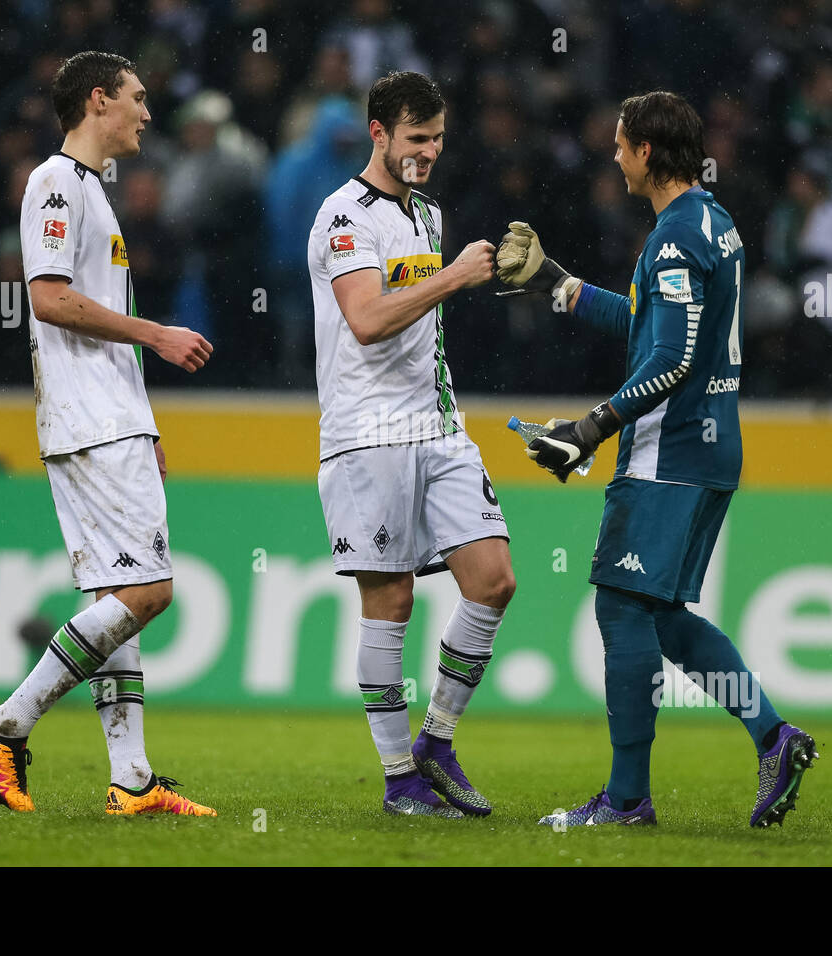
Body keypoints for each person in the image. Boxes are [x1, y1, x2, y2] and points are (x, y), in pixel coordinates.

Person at [496, 91, 818, 828]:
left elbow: (669, 359)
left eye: (619, 145)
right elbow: (652, 323)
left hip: (668, 452)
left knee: (621, 606)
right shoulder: (715, 223)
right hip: (712, 448)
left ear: (645, 152)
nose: (613, 157)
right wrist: (555, 281)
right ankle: (774, 736)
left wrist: (592, 426)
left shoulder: (672, 239)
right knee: (666, 618)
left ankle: (628, 799)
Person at [0, 51, 216, 817]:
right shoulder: (55, 183)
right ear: (97, 100)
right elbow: (47, 299)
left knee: (118, 595)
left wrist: (147, 420)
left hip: (113, 418)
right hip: (88, 422)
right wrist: (157, 334)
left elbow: (88, 317)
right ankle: (6, 723)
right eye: (137, 99)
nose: (146, 113)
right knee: (150, 590)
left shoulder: (92, 196)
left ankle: (131, 779)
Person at [308, 71, 515, 818]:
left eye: (437, 139)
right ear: (379, 134)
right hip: (369, 435)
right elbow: (365, 319)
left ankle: (437, 741)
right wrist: (456, 276)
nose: (427, 152)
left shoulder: (426, 212)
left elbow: (414, 310)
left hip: (440, 426)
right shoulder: (343, 217)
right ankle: (399, 779)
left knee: (493, 580)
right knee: (390, 600)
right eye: (415, 139)